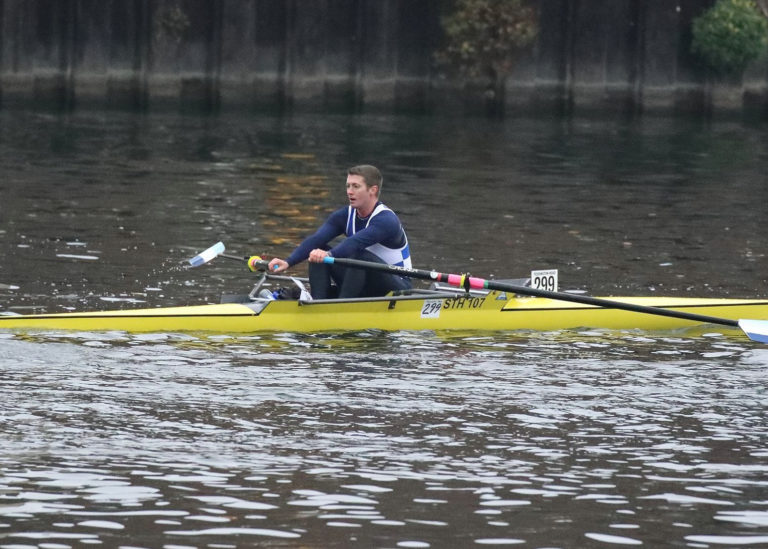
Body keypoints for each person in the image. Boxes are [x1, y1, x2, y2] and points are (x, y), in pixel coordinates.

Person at [257, 164, 412, 299]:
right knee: (317, 250)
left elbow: (354, 243)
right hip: (364, 280)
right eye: (348, 186)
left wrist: (329, 256)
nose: (350, 192)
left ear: (373, 190)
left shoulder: (386, 220)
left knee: (357, 254)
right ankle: (319, 303)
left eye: (356, 186)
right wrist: (288, 261)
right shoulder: (345, 215)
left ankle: (341, 307)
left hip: (396, 286)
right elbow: (316, 238)